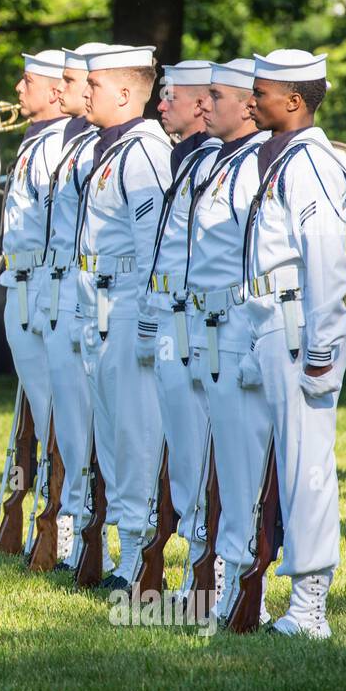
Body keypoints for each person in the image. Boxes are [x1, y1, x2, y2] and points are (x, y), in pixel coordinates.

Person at [242, 49, 346, 638]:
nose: (250, 99)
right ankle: (255, 588)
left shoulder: (311, 162)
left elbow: (326, 266)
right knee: (272, 465)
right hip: (265, 320)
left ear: (293, 100)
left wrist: (321, 349)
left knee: (306, 464)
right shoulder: (277, 156)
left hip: (296, 328)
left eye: (260, 91)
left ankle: (310, 604)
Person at [73, 44, 171, 588]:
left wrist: (145, 320)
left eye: (95, 86)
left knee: (134, 433)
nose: (84, 94)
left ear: (127, 93)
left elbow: (150, 244)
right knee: (111, 432)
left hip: (127, 302)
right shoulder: (112, 148)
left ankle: (139, 554)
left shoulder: (144, 152)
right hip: (100, 300)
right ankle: (125, 547)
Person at [183, 58, 271, 620]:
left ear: (247, 105)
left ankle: (244, 584)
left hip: (240, 325)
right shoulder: (218, 161)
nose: (202, 105)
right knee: (215, 461)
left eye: (216, 96)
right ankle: (221, 572)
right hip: (205, 324)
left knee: (241, 466)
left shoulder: (259, 165)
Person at [143, 60, 221, 588]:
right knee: (179, 448)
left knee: (197, 447)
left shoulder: (211, 161)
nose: (160, 104)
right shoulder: (183, 157)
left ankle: (210, 564)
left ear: (200, 105)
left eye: (171, 96)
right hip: (170, 315)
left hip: (195, 320)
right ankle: (196, 555)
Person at [0, 49, 68, 545]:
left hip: (41, 283)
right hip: (18, 281)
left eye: (28, 82)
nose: (18, 90)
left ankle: (61, 521)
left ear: (55, 91)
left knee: (56, 413)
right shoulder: (34, 142)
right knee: (40, 412)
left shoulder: (59, 145)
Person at [42, 43, 105, 570]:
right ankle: (70, 520)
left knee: (95, 422)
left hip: (94, 298)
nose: (57, 88)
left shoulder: (99, 146)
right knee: (67, 419)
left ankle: (90, 529)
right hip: (61, 290)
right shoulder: (69, 142)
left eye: (69, 80)